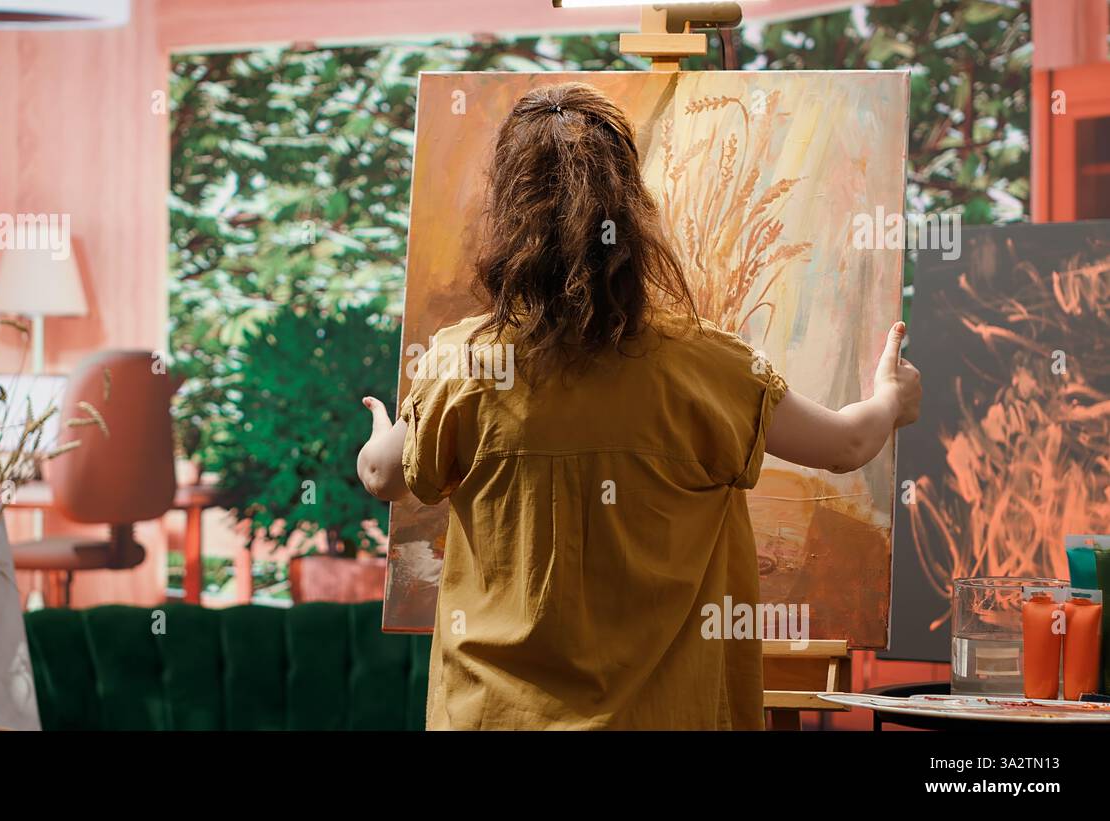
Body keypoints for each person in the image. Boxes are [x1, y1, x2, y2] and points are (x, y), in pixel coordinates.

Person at [356, 82, 921, 730]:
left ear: (509, 215)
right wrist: (890, 399)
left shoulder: (465, 365)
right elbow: (847, 445)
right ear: (630, 216)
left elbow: (381, 474)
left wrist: (387, 422)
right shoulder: (705, 364)